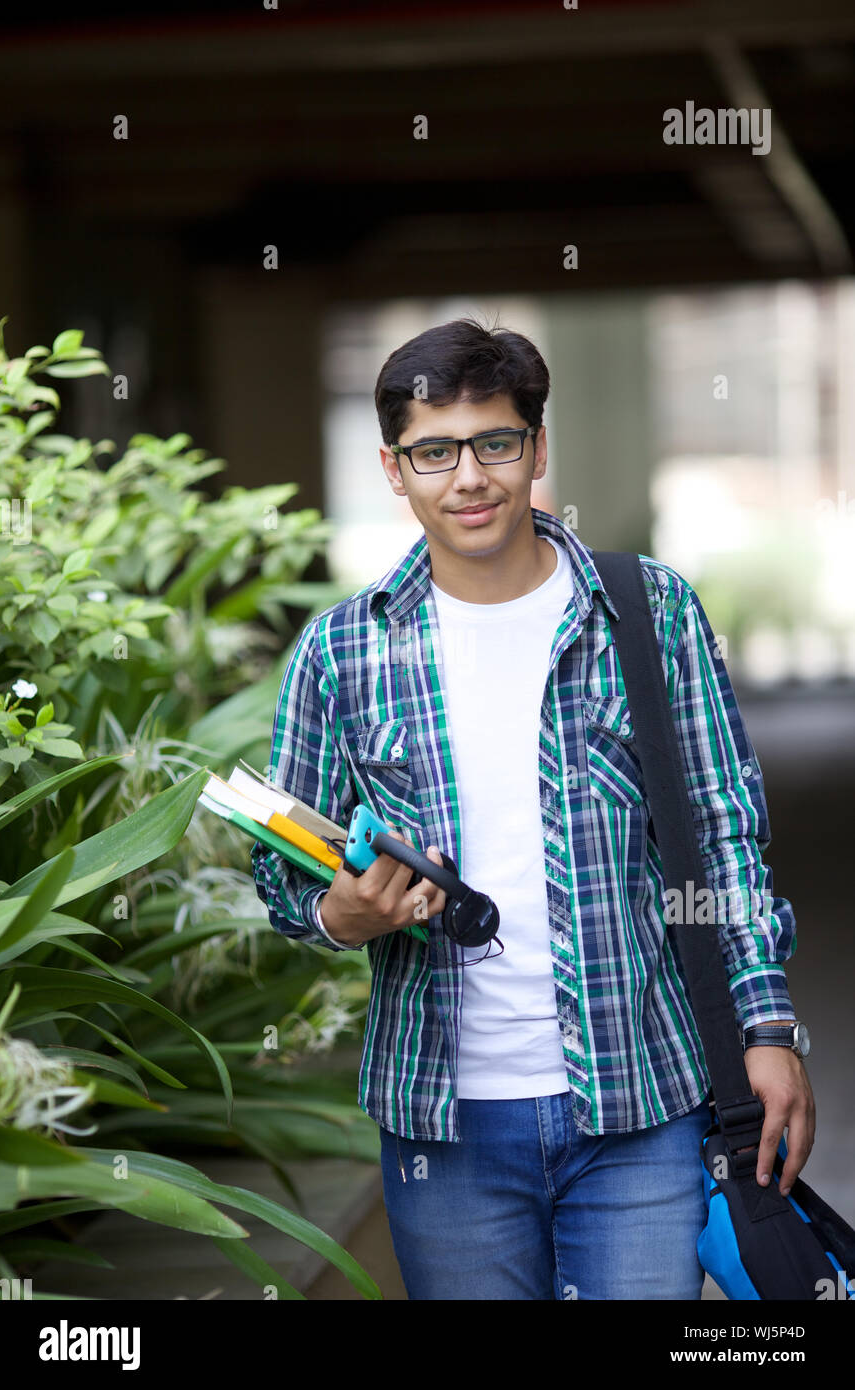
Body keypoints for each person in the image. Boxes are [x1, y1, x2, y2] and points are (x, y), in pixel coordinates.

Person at [251, 316, 815, 1300]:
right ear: (394, 468)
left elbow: (723, 835)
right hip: (446, 1128)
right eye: (434, 451)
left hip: (641, 1102)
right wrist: (341, 913)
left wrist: (764, 1028)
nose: (466, 478)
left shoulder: (648, 612)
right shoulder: (341, 653)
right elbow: (281, 871)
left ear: (534, 447)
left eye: (493, 442)